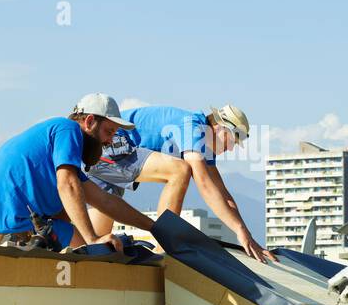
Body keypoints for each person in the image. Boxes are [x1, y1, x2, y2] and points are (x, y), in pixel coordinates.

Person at [0, 94, 157, 252]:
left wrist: (154, 227)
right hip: (5, 227)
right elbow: (68, 185)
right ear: (89, 121)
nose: (109, 141)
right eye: (109, 131)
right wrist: (92, 239)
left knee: (68, 230)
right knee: (88, 254)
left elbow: (104, 200)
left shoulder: (59, 151)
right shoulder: (68, 129)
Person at [85, 102, 276, 263]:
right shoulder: (194, 127)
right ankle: (163, 247)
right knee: (180, 170)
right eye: (232, 140)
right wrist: (240, 230)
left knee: (97, 249)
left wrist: (246, 234)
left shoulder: (202, 147)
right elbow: (204, 184)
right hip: (108, 143)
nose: (231, 148)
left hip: (104, 156)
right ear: (219, 127)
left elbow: (223, 195)